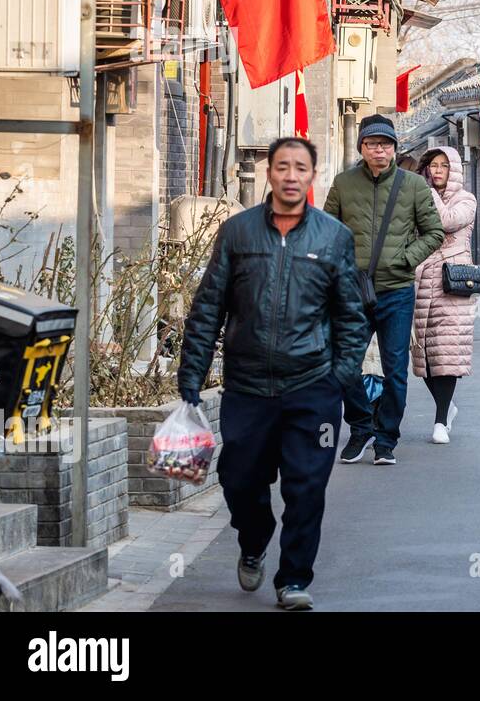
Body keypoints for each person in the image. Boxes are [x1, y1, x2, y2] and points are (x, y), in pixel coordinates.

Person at [177, 136, 367, 611]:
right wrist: (191, 379)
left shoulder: (333, 238)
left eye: (300, 167)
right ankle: (254, 539)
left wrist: (339, 376)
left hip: (312, 388)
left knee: (306, 487)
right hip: (247, 387)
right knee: (240, 479)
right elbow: (207, 309)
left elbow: (352, 315)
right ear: (269, 173)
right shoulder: (238, 233)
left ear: (312, 176)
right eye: (281, 166)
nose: (290, 175)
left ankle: (294, 579)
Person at [324, 114, 444, 465]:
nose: (380, 150)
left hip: (396, 291)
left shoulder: (413, 186)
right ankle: (361, 426)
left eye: (386, 144)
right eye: (373, 144)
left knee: (394, 370)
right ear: (362, 147)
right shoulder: (344, 183)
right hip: (352, 290)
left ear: (394, 148)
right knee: (344, 365)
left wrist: (406, 259)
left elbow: (434, 232)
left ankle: (386, 439)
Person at [411, 146, 478, 444]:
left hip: (453, 284)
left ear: (454, 170)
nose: (437, 171)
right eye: (432, 166)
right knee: (423, 353)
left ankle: (439, 421)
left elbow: (447, 221)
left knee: (446, 353)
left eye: (443, 166)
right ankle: (446, 407)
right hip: (422, 280)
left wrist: (428, 194)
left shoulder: (466, 199)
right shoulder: (418, 195)